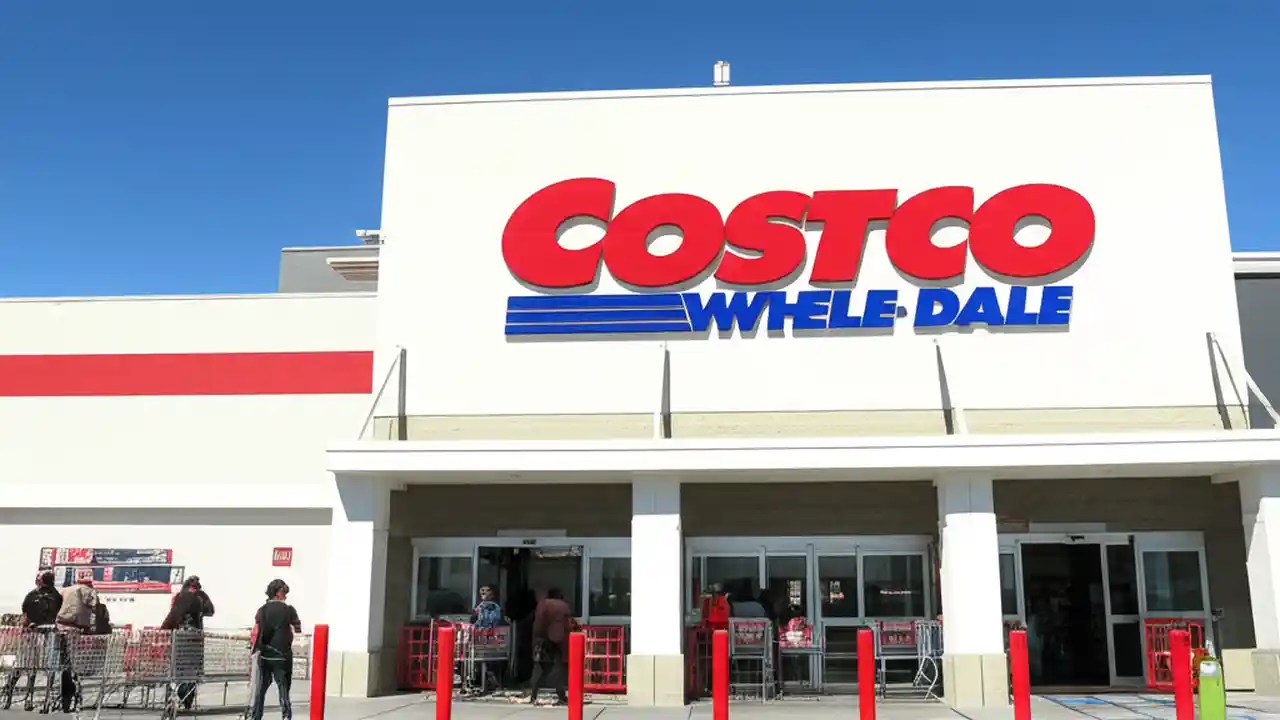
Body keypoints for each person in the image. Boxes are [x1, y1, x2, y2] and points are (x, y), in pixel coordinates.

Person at [249, 579, 301, 720]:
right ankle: (285, 716)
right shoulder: (289, 610)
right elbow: (297, 627)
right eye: (285, 592)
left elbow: (257, 631)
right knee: (283, 689)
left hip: (265, 654)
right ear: (279, 593)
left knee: (261, 689)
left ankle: (256, 715)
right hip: (282, 655)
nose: (286, 596)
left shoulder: (262, 610)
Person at [161, 576, 214, 710]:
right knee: (193, 668)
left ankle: (180, 691)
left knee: (179, 667)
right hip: (196, 638)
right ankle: (188, 698)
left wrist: (163, 630)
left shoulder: (181, 597)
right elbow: (211, 611)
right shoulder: (201, 596)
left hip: (180, 638)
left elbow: (172, 616)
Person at [515, 588, 571, 706]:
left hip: (544, 640)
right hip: (560, 640)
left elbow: (539, 624)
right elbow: (567, 624)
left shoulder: (544, 605)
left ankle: (533, 695)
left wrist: (535, 641)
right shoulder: (564, 606)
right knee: (557, 669)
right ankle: (561, 696)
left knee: (539, 668)